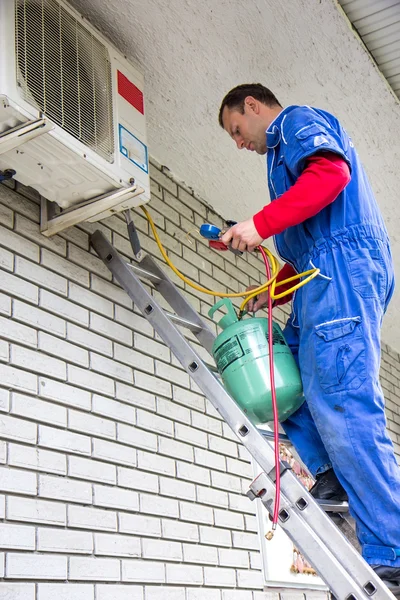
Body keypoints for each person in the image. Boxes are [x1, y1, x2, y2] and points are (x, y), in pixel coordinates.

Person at [218, 83, 400, 590]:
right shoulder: (277, 161)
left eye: (236, 129)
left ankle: (395, 547)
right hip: (319, 276)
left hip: (342, 271)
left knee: (344, 401)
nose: (239, 142)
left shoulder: (294, 122)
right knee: (288, 375)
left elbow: (331, 174)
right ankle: (332, 476)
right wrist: (269, 293)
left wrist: (258, 224)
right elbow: (304, 249)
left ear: (252, 106)